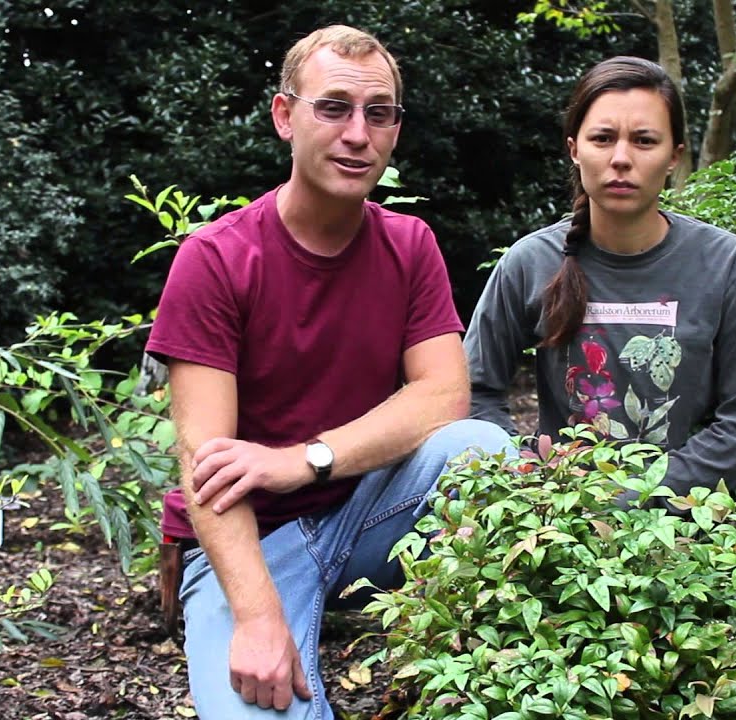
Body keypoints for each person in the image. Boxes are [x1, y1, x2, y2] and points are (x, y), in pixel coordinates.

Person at [146, 25, 510, 719]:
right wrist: (257, 618)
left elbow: (444, 396)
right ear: (286, 116)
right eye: (333, 107)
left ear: (396, 130)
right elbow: (206, 464)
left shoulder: (410, 246)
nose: (357, 134)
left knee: (483, 451)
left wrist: (304, 460)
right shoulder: (216, 259)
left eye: (379, 114)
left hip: (360, 513)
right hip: (248, 541)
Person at [464, 56, 736, 497]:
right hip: (555, 521)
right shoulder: (530, 261)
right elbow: (475, 391)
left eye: (644, 141)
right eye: (603, 138)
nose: (621, 158)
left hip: (680, 527)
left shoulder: (727, 265)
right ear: (575, 149)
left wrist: (638, 497)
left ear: (675, 156)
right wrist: (527, 478)